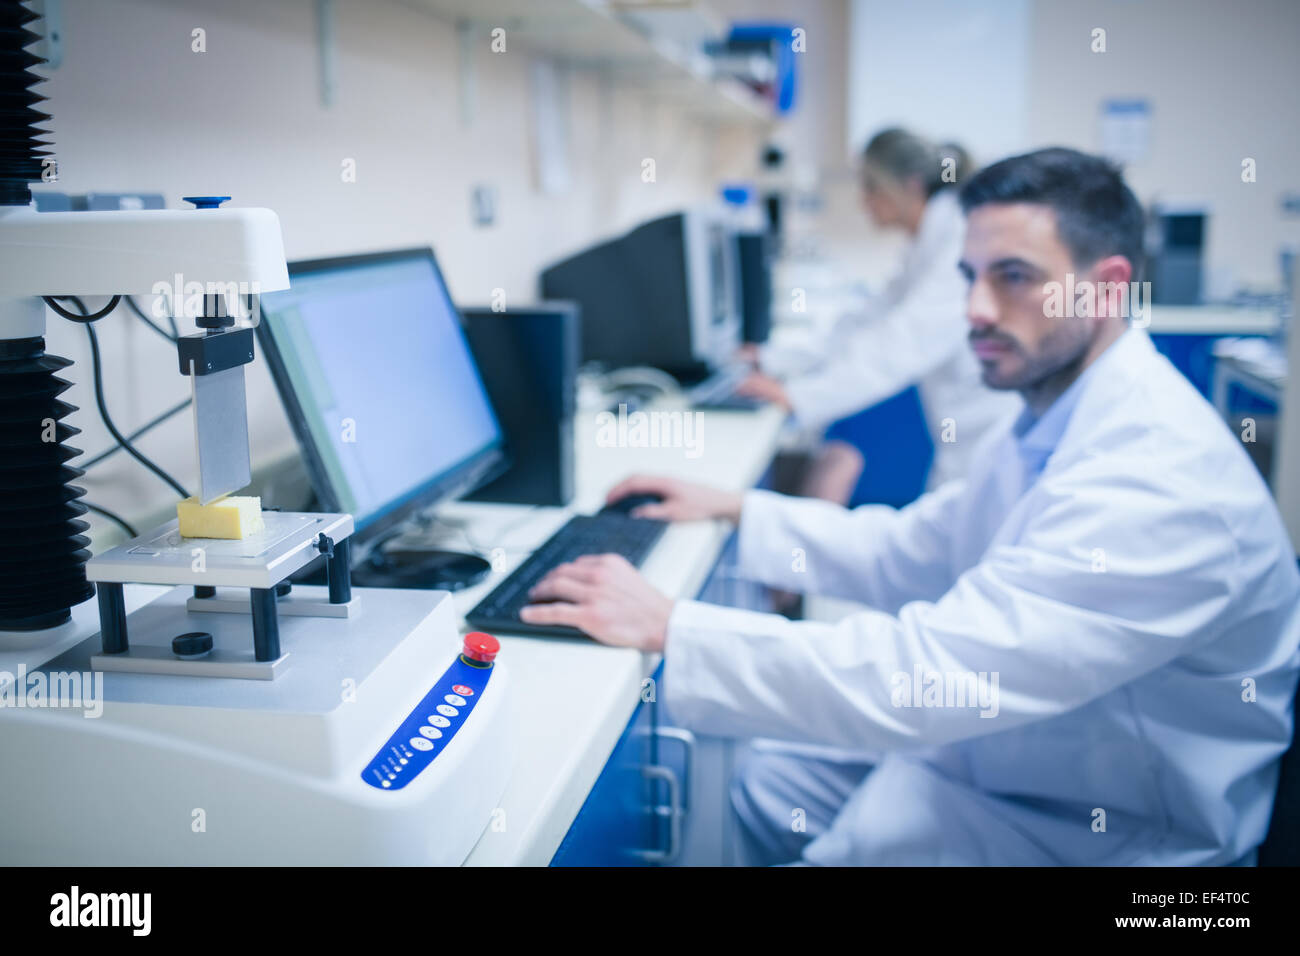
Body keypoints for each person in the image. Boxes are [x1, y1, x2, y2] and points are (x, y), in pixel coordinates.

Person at [520, 147, 1300, 865]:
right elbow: (917, 549)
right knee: (771, 782)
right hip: (1032, 760)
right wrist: (741, 512)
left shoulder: (1156, 478)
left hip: (1114, 834)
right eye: (969, 276)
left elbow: (935, 679)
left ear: (1106, 287)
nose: (975, 309)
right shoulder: (1059, 414)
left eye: (1014, 277)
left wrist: (673, 627)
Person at [738, 128, 1018, 500]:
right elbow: (867, 320)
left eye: (871, 187)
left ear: (911, 186)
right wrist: (774, 359)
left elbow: (903, 341)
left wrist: (799, 396)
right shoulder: (929, 241)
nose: (863, 201)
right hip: (957, 432)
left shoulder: (957, 239)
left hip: (980, 432)